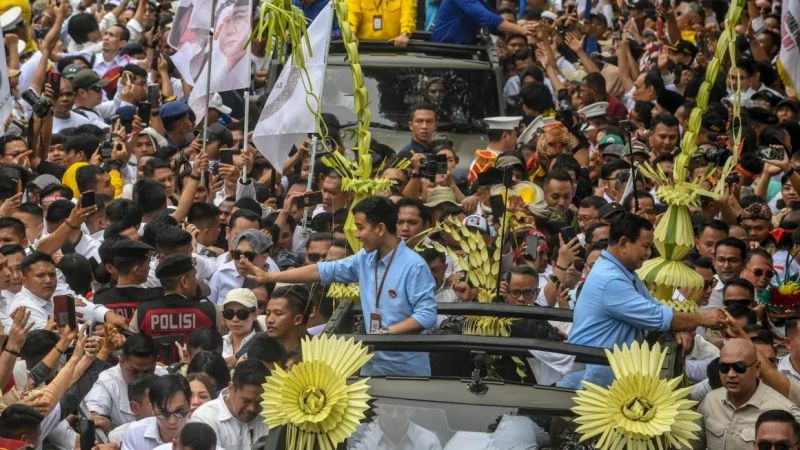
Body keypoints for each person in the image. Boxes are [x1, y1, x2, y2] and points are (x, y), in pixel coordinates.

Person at [246, 196, 437, 376]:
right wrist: (270, 276)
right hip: (371, 365)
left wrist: (385, 335)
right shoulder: (365, 258)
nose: (357, 235)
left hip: (407, 370)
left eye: (360, 228)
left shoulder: (414, 266)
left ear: (380, 228)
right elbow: (321, 270)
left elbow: (426, 315)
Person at [561, 213, 728, 388]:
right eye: (645, 246)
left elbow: (656, 306)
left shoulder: (624, 271)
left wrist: (679, 326)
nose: (648, 253)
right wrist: (703, 318)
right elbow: (658, 316)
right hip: (593, 371)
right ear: (624, 243)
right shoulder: (611, 279)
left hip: (611, 367)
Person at [696, 339, 800, 450]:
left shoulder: (785, 412)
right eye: (724, 368)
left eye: (739, 367)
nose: (731, 374)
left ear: (757, 368)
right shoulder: (710, 401)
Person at [130, 254, 218, 352]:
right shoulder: (209, 311)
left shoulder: (143, 312)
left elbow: (132, 348)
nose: (196, 281)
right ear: (184, 281)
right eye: (194, 276)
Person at [85, 333, 164, 432]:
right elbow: (94, 417)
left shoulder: (162, 375)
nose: (142, 377)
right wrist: (109, 425)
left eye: (148, 372)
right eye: (135, 371)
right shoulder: (104, 383)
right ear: (121, 360)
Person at [189, 360, 270, 449]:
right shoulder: (204, 418)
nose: (252, 408)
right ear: (231, 388)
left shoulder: (270, 416)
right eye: (246, 401)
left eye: (259, 402)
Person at [94, 239, 164, 322]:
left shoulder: (100, 299)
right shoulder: (156, 297)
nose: (149, 268)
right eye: (148, 264)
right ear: (137, 270)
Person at [121, 374, 192, 450]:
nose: (172, 421)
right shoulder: (135, 433)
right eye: (163, 413)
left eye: (180, 412)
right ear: (152, 408)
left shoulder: (200, 435)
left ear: (189, 404)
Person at [347, 0, 415, 47]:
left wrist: (404, 35)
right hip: (363, 50)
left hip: (395, 49)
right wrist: (351, 33)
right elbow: (352, 13)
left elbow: (408, 14)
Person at [220, 288, 260, 367]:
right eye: (229, 313)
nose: (235, 319)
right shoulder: (218, 343)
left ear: (255, 314)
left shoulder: (262, 345)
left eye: (242, 314)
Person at [265, 285, 308, 353]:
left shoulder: (314, 351)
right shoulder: (257, 347)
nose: (269, 320)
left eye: (278, 313)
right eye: (268, 314)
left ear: (298, 319)